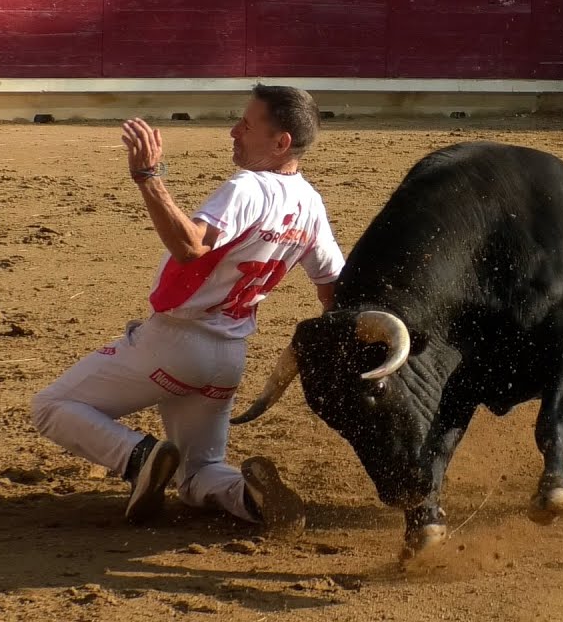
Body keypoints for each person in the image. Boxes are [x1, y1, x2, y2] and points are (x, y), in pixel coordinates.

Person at [30, 85, 345, 536]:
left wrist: (147, 175)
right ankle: (249, 498)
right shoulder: (312, 205)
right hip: (228, 357)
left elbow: (189, 246)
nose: (233, 132)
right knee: (198, 472)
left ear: (281, 143)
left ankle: (137, 457)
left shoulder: (250, 187)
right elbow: (332, 288)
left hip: (174, 343)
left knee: (52, 406)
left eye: (247, 124)